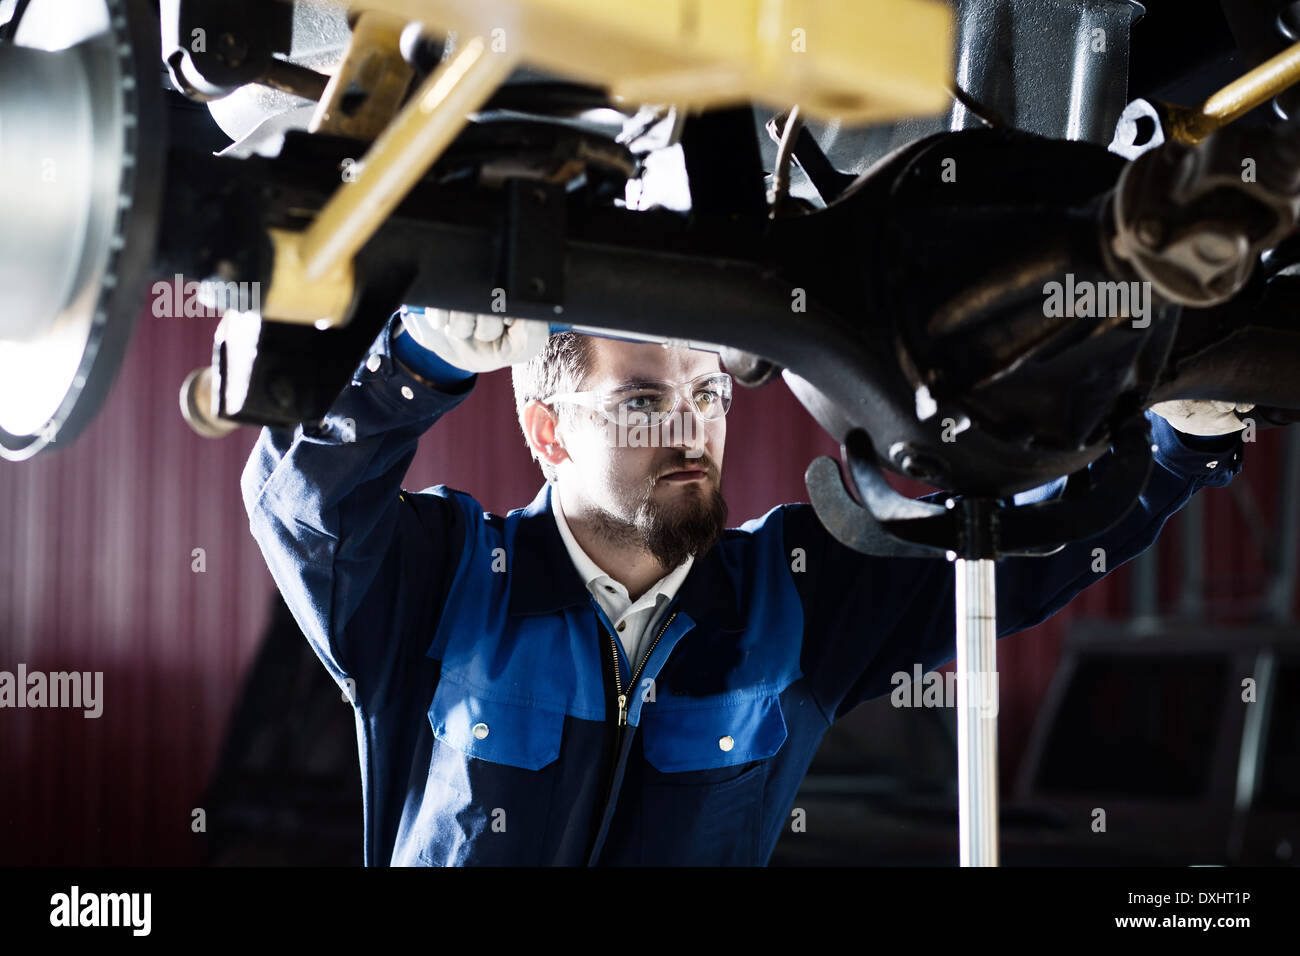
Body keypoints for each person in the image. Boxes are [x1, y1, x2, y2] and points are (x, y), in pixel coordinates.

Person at [240, 307, 1249, 866]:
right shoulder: (444, 581)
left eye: (705, 393)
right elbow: (300, 500)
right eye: (641, 399)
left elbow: (1013, 560)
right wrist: (412, 358)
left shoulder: (795, 596)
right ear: (547, 431)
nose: (690, 428)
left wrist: (1174, 452)